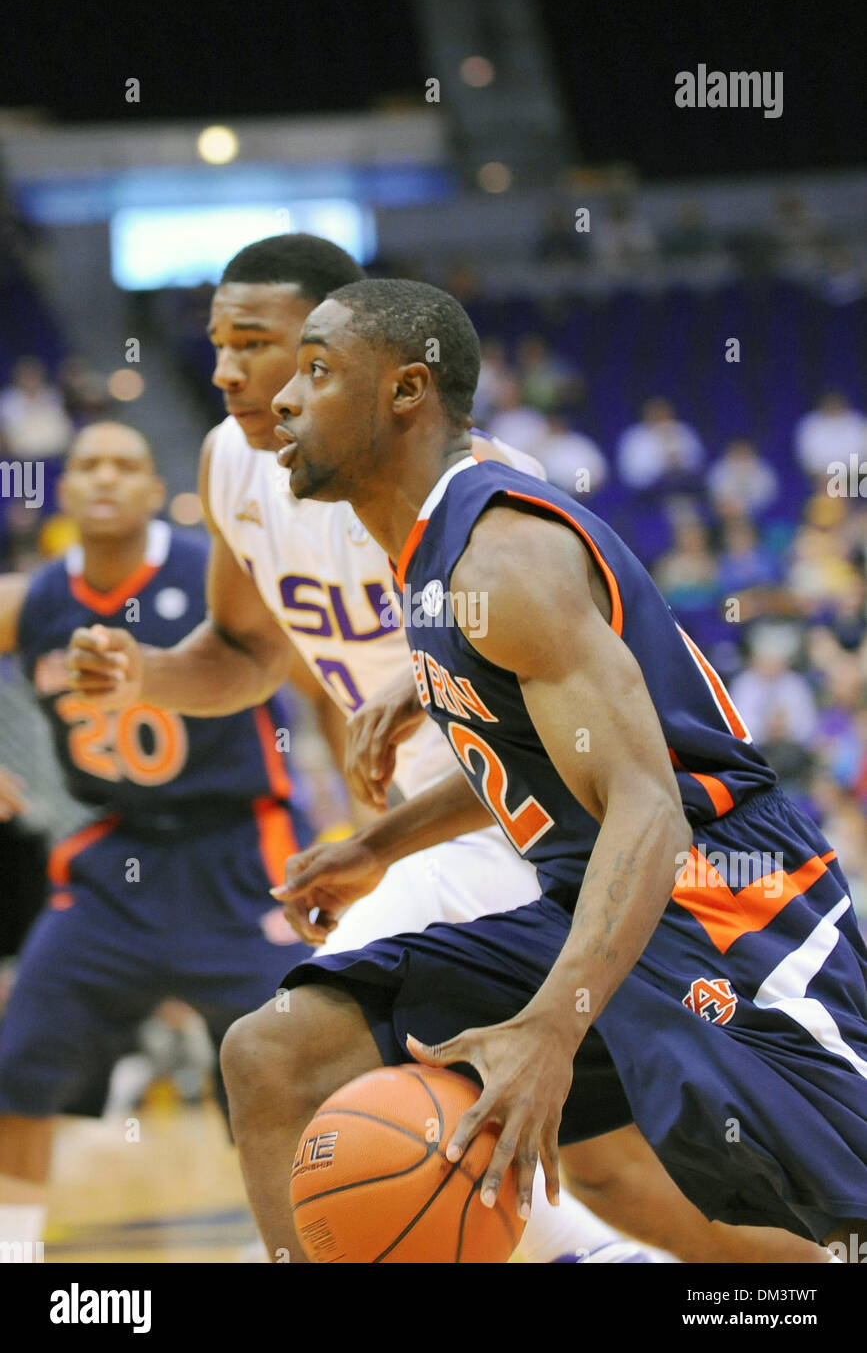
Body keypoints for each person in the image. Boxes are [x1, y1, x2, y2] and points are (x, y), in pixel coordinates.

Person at [70, 238, 825, 1265]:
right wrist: (371, 830)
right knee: (290, 1060)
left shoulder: (492, 522)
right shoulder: (287, 490)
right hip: (519, 843)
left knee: (807, 1191)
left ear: (396, 384)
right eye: (221, 348)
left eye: (290, 358)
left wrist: (550, 1025)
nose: (250, 383)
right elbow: (266, 659)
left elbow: (634, 783)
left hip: (672, 870)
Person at [0, 421, 316, 1257]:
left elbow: (313, 666)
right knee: (17, 1058)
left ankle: (296, 1240)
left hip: (244, 853)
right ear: (62, 493)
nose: (105, 477)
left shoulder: (212, 573)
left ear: (152, 490)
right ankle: (14, 1249)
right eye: (88, 465)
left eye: (126, 464)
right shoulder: (31, 601)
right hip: (115, 859)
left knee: (289, 1069)